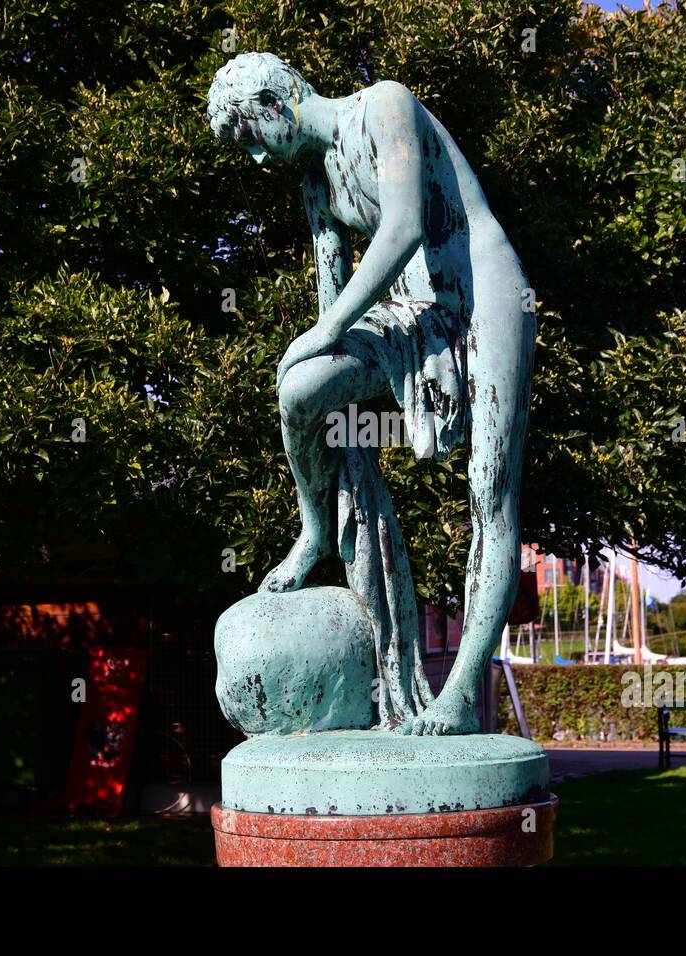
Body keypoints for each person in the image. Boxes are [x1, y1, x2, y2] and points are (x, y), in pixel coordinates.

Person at [207, 53, 535, 735]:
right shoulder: (313, 183)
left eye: (249, 138)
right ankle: (316, 529)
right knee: (299, 388)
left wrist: (325, 328)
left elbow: (403, 227)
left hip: (485, 293)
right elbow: (332, 297)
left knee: (490, 491)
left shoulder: (383, 105)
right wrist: (323, 352)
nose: (258, 161)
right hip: (412, 308)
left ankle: (459, 693)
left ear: (274, 101)